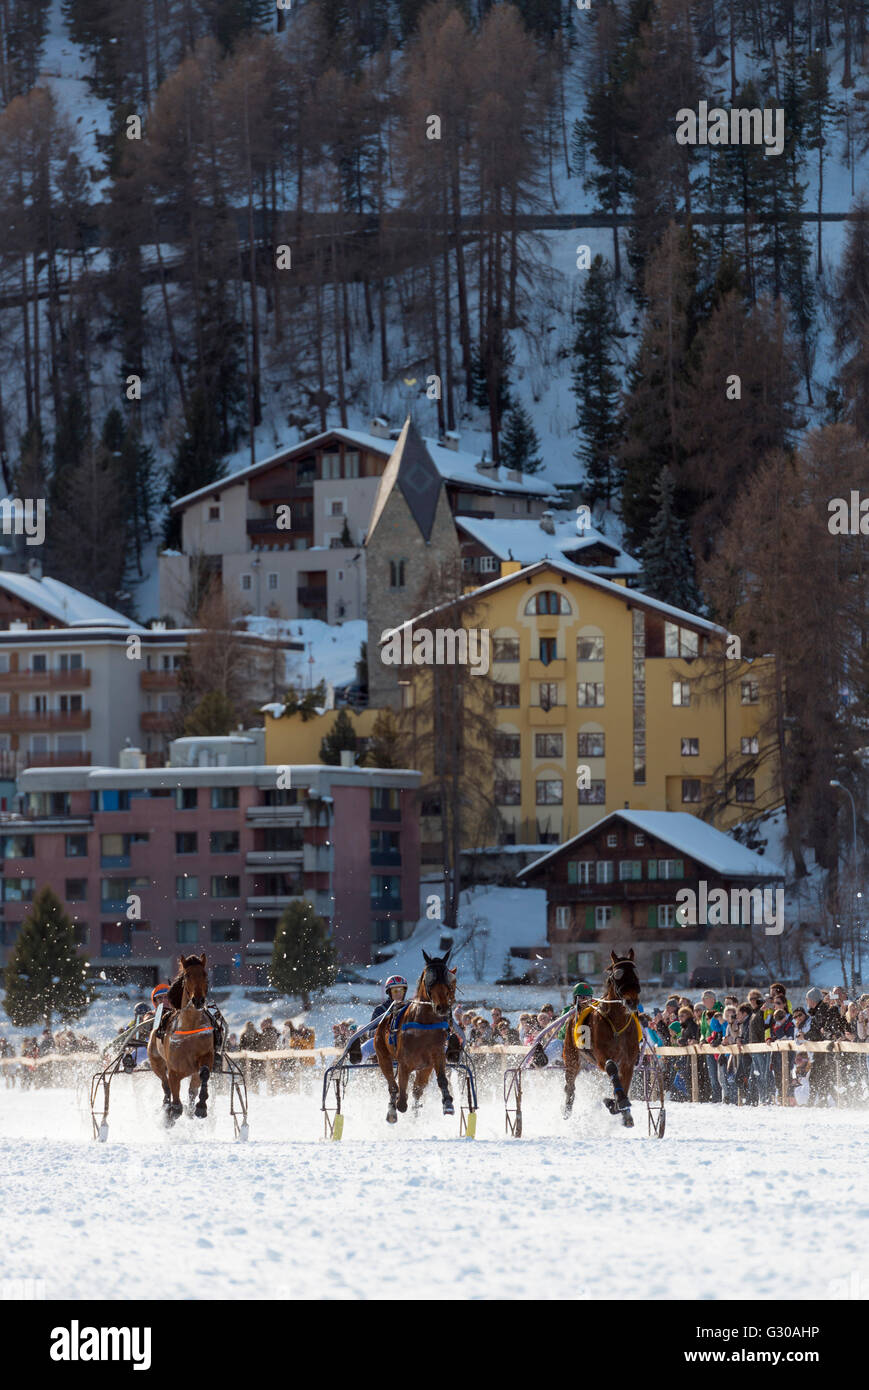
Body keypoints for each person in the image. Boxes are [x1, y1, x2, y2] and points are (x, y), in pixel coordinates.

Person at [348, 976, 408, 1064]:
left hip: (405, 1041)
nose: (398, 993)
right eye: (395, 991)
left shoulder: (409, 1008)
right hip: (384, 1042)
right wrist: (384, 1031)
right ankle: (358, 1057)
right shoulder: (381, 1009)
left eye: (401, 990)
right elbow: (371, 1032)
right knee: (372, 1043)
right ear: (389, 992)